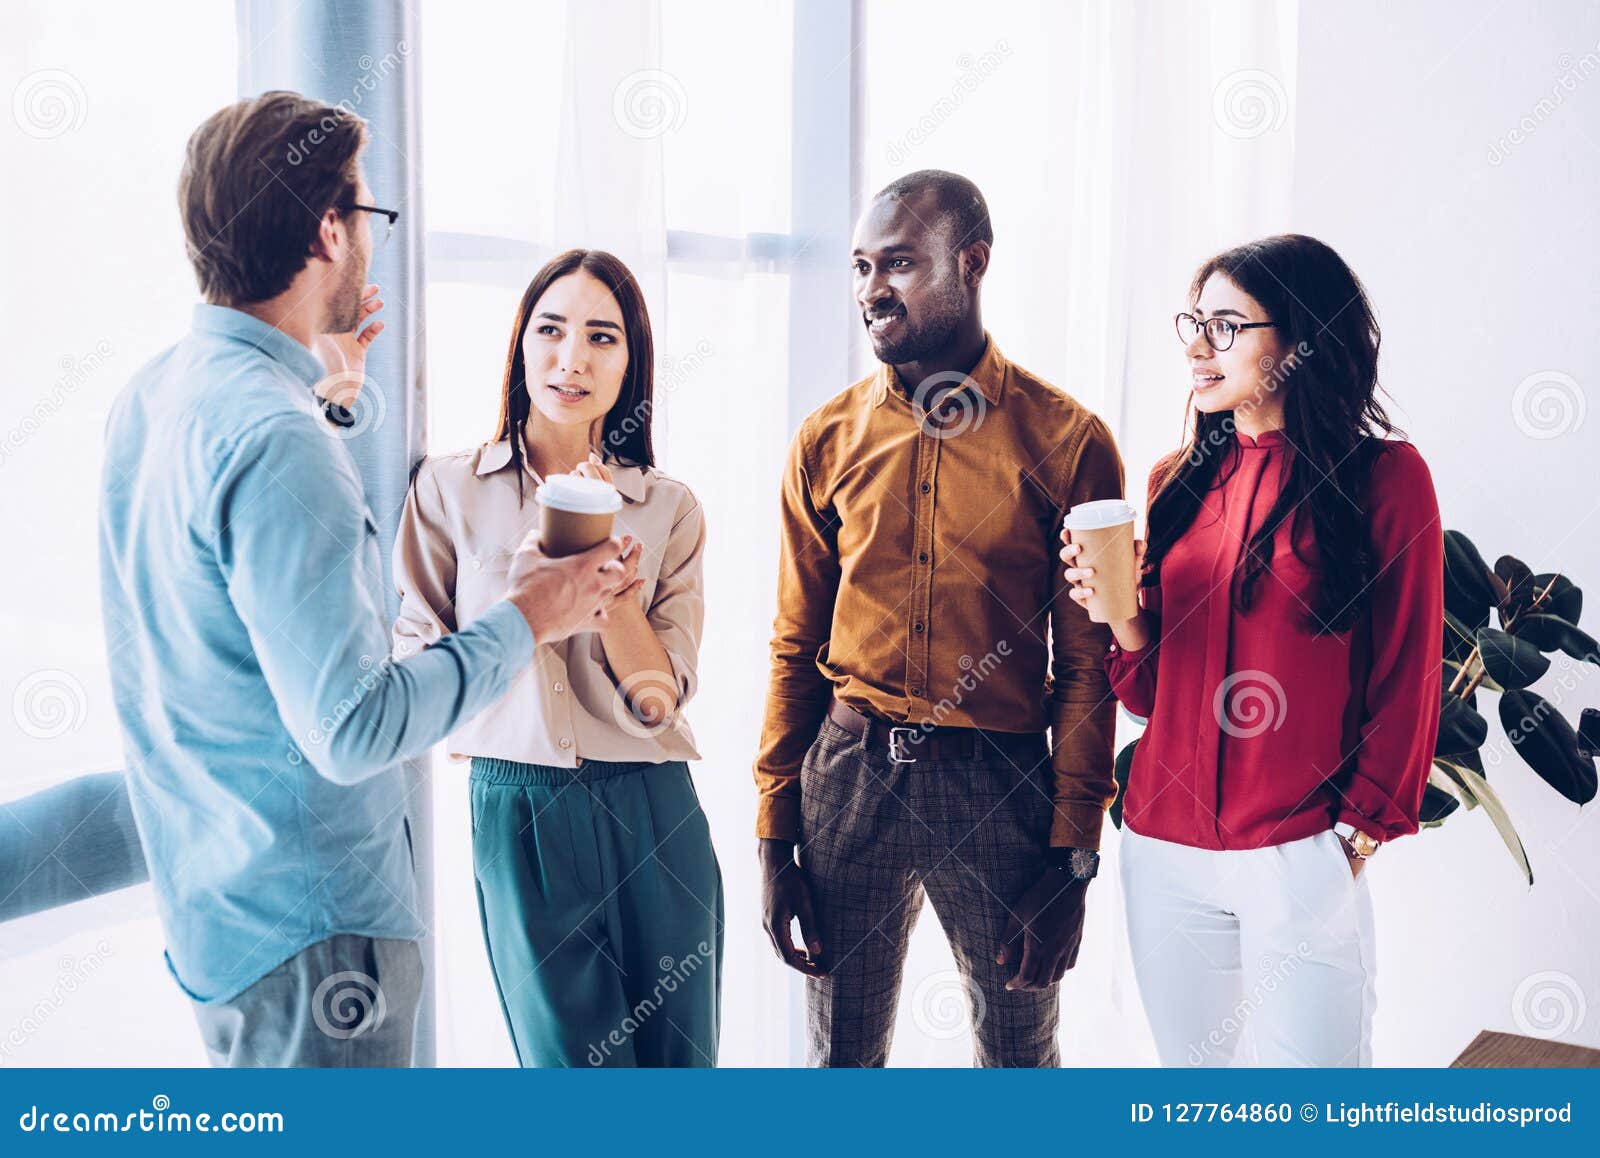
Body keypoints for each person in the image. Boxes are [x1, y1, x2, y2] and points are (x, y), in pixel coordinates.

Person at [97, 92, 630, 1068]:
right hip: (318, 950)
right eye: (371, 219)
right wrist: (531, 615)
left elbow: (225, 635)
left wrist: (324, 397)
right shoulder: (274, 442)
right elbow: (352, 729)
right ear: (328, 233)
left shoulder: (158, 395)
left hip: (224, 922)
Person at [755, 170, 1125, 1067]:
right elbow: (796, 645)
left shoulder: (1069, 442)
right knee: (839, 1064)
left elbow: (1085, 666)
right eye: (859, 267)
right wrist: (774, 834)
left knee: (1019, 1062)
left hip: (998, 783)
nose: (871, 289)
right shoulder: (826, 440)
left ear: (973, 262)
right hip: (847, 774)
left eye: (899, 264)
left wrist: (1073, 859)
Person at [1061, 234, 1443, 1067]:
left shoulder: (1387, 480)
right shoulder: (1174, 480)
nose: (1198, 347)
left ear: (1302, 340)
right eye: (1193, 324)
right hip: (1162, 853)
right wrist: (1119, 614)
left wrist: (1352, 841)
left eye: (1226, 326)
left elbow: (1408, 676)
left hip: (1297, 850)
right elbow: (1150, 695)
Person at [392, 249, 723, 1067]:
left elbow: (659, 702)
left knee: (681, 1079)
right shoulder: (446, 489)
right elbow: (417, 676)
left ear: (629, 364)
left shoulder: (667, 507)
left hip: (653, 807)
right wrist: (528, 606)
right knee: (574, 1078)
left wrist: (611, 602)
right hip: (519, 808)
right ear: (521, 344)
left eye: (602, 338)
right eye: (551, 329)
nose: (571, 358)